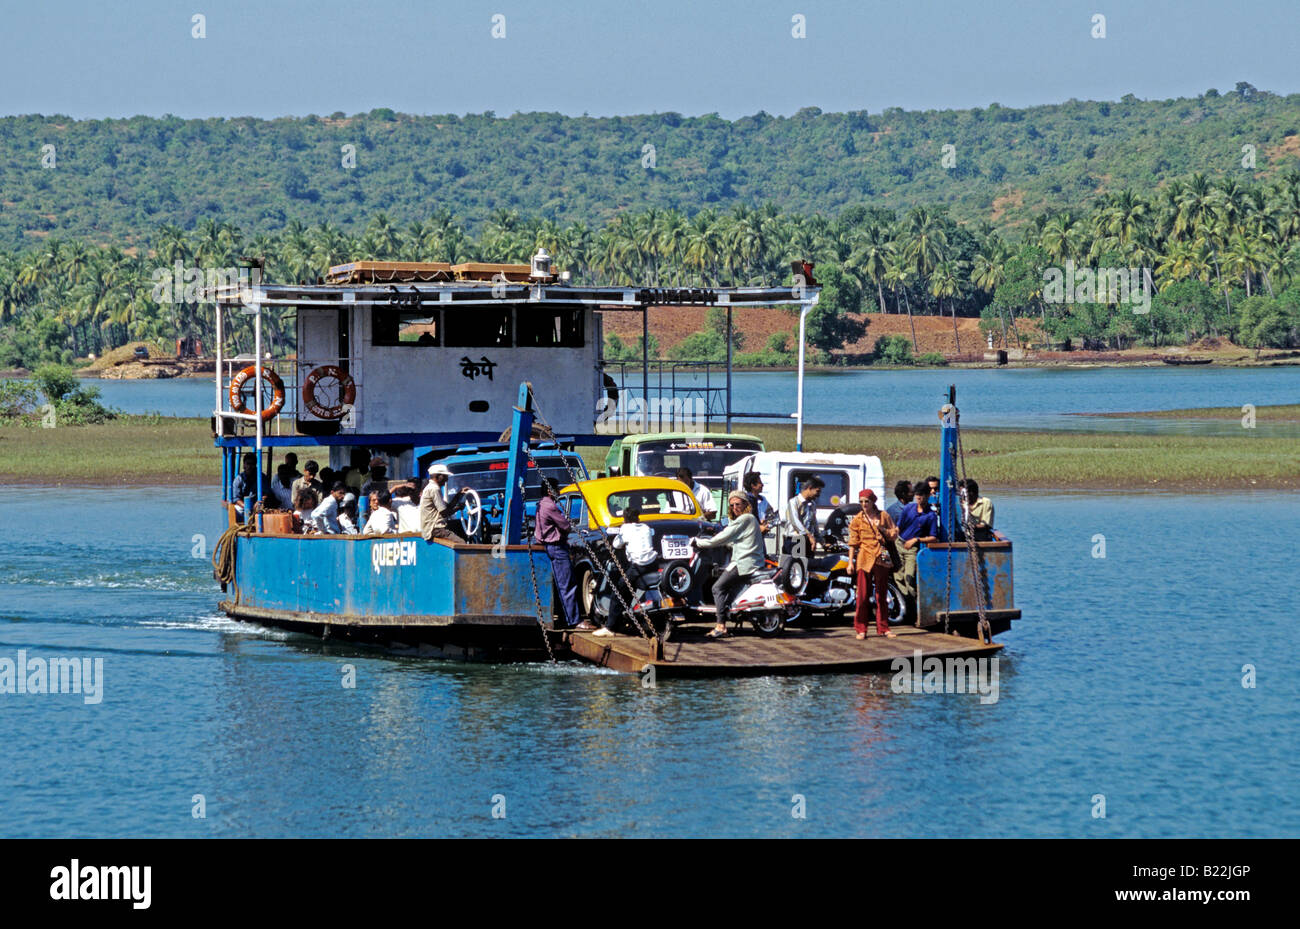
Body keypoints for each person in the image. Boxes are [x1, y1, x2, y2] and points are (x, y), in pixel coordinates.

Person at [695, 491, 765, 639]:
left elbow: (725, 535)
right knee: (728, 587)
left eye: (738, 504)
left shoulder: (746, 518)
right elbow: (734, 539)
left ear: (746, 505)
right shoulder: (747, 520)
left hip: (744, 562)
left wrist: (699, 543)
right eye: (732, 505)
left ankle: (721, 625)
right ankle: (728, 613)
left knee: (717, 587)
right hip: (750, 561)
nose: (735, 508)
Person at [534, 480, 593, 631]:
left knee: (560, 584)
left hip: (548, 547)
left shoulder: (541, 503)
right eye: (556, 489)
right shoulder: (550, 506)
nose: (558, 491)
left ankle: (564, 616)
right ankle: (574, 620)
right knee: (568, 584)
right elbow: (565, 525)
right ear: (549, 490)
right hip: (556, 547)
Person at [597, 502, 659, 638]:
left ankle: (610, 627)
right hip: (652, 563)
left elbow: (616, 544)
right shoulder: (646, 527)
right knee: (629, 589)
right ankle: (627, 615)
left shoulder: (625, 528)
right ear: (638, 518)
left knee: (618, 592)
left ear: (625, 519)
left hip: (638, 565)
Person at [846, 489, 900, 640]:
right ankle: (861, 628)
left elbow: (894, 534)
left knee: (881, 595)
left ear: (873, 501)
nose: (864, 504)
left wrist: (881, 528)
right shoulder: (857, 519)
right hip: (864, 558)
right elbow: (853, 543)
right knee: (862, 596)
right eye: (861, 501)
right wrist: (850, 562)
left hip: (881, 557)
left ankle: (883, 628)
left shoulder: (884, 516)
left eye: (866, 501)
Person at [893, 478, 942, 616]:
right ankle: (906, 605)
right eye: (917, 496)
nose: (918, 499)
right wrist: (893, 533)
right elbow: (898, 526)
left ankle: (917, 609)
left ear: (927, 496)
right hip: (899, 543)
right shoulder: (908, 508)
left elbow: (934, 537)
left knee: (909, 578)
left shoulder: (930, 515)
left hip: (911, 549)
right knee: (898, 576)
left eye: (921, 496)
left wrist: (916, 539)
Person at [419, 464, 469, 543]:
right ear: (439, 476)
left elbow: (448, 507)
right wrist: (458, 508)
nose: (446, 479)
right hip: (435, 528)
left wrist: (459, 494)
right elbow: (444, 513)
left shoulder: (432, 487)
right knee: (461, 543)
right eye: (445, 476)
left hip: (434, 527)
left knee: (461, 524)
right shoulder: (434, 489)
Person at [784, 475, 825, 555]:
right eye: (817, 491)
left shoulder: (812, 504)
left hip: (808, 541)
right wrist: (809, 535)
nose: (819, 494)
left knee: (808, 564)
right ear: (809, 488)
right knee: (797, 565)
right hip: (795, 540)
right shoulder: (794, 502)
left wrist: (820, 539)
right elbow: (795, 521)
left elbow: (814, 522)